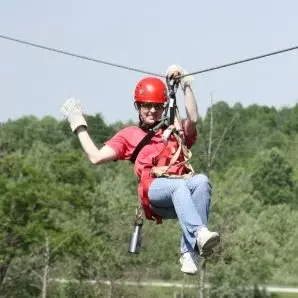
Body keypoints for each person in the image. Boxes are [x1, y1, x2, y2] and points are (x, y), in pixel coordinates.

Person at [61, 65, 220, 275]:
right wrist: (78, 123)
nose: (153, 111)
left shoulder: (174, 131)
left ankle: (188, 253)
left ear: (164, 108)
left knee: (201, 181)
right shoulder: (130, 135)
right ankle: (198, 233)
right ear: (138, 107)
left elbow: (194, 119)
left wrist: (186, 85)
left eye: (157, 107)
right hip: (153, 193)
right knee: (179, 186)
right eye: (147, 106)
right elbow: (95, 157)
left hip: (180, 197)